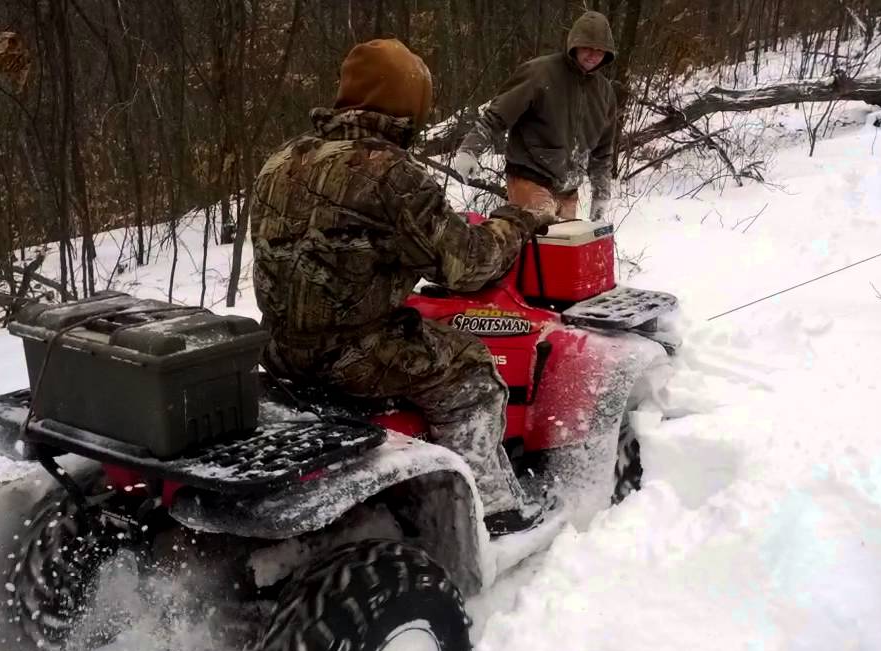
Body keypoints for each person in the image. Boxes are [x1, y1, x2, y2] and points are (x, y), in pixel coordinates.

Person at [250, 39, 554, 535]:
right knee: (472, 369)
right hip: (356, 357)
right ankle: (493, 507)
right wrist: (519, 219)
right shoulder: (392, 174)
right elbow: (468, 267)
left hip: (281, 351)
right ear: (406, 103)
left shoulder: (281, 159)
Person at [452, 10, 618, 221]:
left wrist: (601, 195)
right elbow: (498, 115)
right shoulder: (540, 73)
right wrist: (470, 149)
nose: (593, 54)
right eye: (587, 47)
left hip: (568, 188)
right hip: (530, 177)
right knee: (538, 243)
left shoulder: (605, 93)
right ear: (574, 44)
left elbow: (602, 153)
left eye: (600, 50)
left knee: (562, 249)